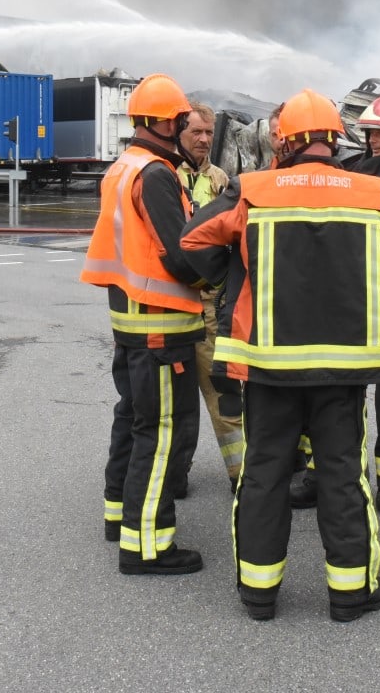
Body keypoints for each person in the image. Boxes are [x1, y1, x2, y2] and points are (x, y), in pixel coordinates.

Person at [181, 89, 380, 622]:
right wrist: (377, 285)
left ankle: (259, 595)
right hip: (344, 368)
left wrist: (236, 277)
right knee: (342, 474)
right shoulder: (373, 191)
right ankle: (351, 594)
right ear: (334, 139)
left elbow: (192, 243)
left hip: (267, 366)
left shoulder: (251, 189)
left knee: (264, 474)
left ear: (285, 141)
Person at [81, 73, 208, 575]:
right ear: (166, 122)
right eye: (181, 121)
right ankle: (148, 545)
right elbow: (178, 256)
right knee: (161, 432)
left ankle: (120, 514)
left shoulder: (123, 167)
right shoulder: (155, 173)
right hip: (161, 325)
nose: (185, 128)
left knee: (133, 420)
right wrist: (214, 267)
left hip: (131, 320)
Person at [293, 92, 380, 514]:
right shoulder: (353, 173)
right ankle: (323, 473)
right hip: (350, 306)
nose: (372, 142)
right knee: (336, 397)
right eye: (368, 133)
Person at [173, 103, 243, 489]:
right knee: (177, 402)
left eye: (207, 132)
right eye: (195, 132)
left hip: (210, 306)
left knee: (224, 393)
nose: (203, 139)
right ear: (179, 132)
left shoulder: (221, 181)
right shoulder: (166, 176)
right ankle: (176, 473)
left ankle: (241, 473)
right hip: (173, 302)